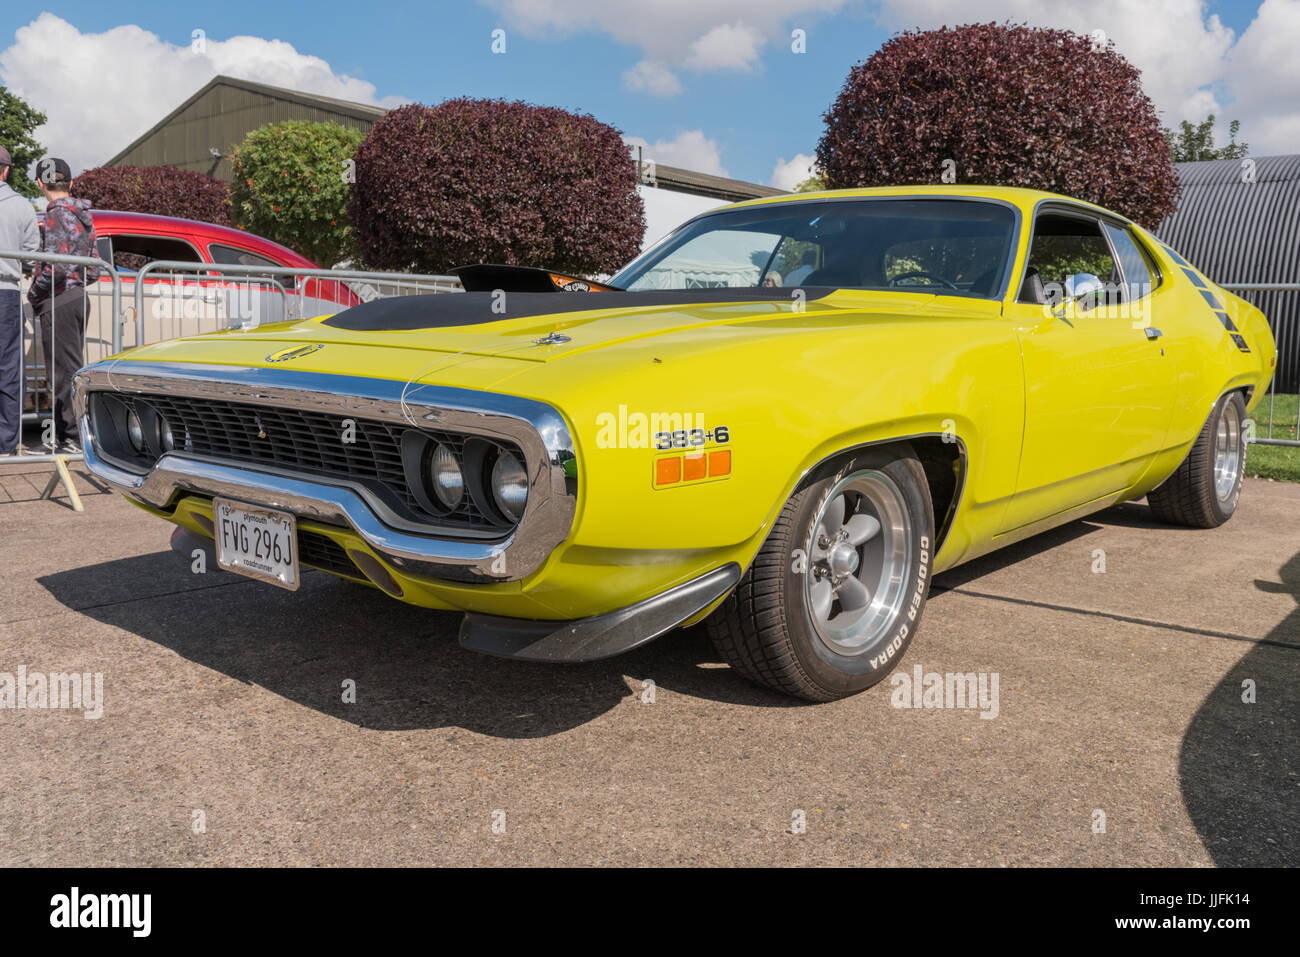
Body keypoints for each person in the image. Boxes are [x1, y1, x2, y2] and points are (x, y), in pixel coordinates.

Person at [28, 158, 97, 454]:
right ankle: (63, 436)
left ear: (41, 184)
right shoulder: (83, 215)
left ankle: (72, 438)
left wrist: (34, 293)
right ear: (69, 183)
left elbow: (54, 266)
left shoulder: (55, 214)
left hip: (59, 300)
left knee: (63, 373)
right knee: (68, 369)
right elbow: (92, 269)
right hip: (78, 296)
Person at [0, 146, 40, 455]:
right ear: (6, 170)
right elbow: (31, 253)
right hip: (6, 290)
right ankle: (6, 441)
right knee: (8, 367)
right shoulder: (22, 206)